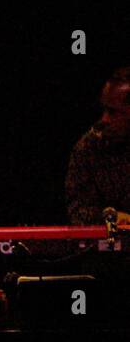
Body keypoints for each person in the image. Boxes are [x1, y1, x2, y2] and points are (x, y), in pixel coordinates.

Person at [64, 67, 130, 225]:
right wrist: (123, 221)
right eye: (104, 109)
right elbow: (79, 212)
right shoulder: (89, 147)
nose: (104, 119)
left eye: (113, 112)